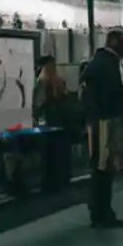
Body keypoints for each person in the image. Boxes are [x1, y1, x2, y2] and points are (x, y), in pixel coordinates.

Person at [79, 29, 123, 228]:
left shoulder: (100, 63)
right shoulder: (105, 64)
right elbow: (98, 96)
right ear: (116, 44)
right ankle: (101, 212)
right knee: (103, 169)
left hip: (101, 121)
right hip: (104, 123)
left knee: (103, 169)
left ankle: (101, 211)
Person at [34, 55, 75, 190]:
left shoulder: (43, 82)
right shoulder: (56, 81)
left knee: (50, 154)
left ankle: (51, 181)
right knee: (58, 153)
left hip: (49, 124)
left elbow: (38, 105)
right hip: (59, 124)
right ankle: (60, 179)